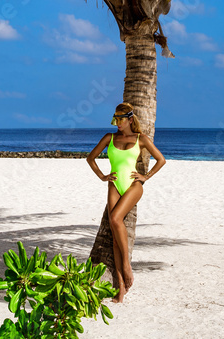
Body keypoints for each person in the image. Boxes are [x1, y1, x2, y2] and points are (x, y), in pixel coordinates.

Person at [85, 102, 166, 302]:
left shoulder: (141, 139)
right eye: (116, 120)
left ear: (129, 120)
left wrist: (145, 177)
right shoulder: (109, 138)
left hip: (133, 186)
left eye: (120, 120)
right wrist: (102, 176)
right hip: (114, 185)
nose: (117, 123)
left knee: (115, 219)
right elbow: (90, 158)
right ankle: (120, 287)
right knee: (114, 234)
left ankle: (127, 266)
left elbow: (161, 160)